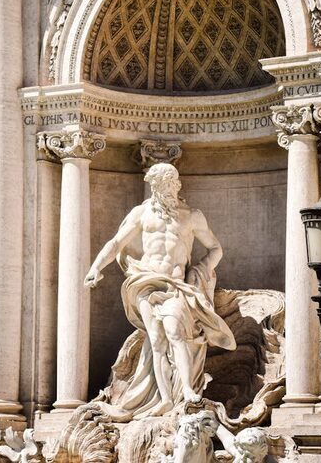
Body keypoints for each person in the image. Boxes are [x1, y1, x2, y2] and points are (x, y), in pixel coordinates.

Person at [85, 163, 236, 419]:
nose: (169, 188)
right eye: (163, 184)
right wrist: (96, 267)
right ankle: (166, 398)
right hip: (145, 281)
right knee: (156, 340)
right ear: (154, 185)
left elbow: (216, 248)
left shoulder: (191, 215)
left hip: (176, 284)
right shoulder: (141, 214)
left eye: (172, 183)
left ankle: (187, 390)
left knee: (176, 333)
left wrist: (199, 271)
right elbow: (116, 242)